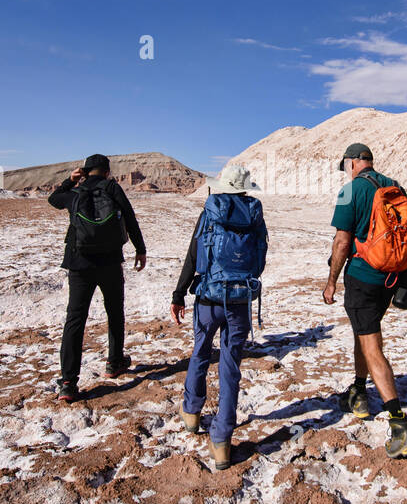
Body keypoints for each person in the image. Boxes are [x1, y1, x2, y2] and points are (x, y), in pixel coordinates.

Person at [322, 143, 407, 458]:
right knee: (364, 332)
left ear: (352, 162)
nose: (347, 171)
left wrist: (331, 282)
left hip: (363, 278)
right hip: (392, 278)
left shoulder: (352, 191)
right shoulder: (395, 185)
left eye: (346, 165)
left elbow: (342, 242)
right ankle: (359, 392)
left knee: (371, 345)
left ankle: (399, 423)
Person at [171, 165, 268, 470]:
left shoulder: (211, 211)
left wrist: (180, 293)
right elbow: (261, 257)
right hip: (240, 300)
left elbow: (193, 253)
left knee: (201, 353)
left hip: (209, 298)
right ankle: (222, 442)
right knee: (230, 368)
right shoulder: (255, 214)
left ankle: (191, 412)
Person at [48, 154, 147, 402]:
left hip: (80, 262)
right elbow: (129, 216)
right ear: (107, 171)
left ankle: (68, 382)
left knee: (76, 319)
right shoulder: (112, 189)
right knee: (114, 311)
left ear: (85, 172)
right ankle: (114, 362)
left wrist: (69, 182)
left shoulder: (76, 192)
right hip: (111, 261)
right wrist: (140, 249)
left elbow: (53, 199)